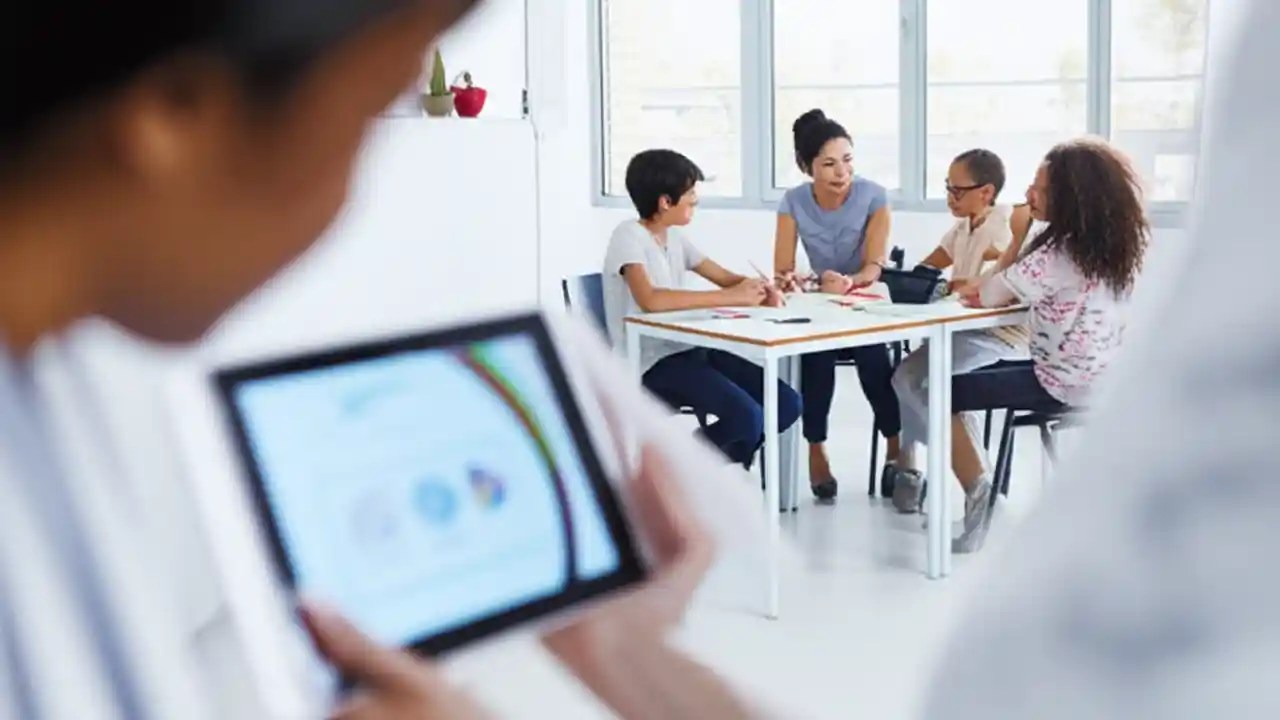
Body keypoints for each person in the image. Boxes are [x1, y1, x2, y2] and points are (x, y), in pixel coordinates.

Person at [0, 2, 760, 718]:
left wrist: (627, 654)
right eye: (368, 115)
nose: (346, 202)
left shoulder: (54, 391)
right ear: (176, 112)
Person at [926, 138, 1150, 553]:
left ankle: (982, 499)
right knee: (962, 376)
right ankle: (988, 490)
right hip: (1109, 380)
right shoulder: (1112, 248)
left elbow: (988, 294)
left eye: (1040, 189)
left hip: (1059, 382)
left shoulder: (1055, 253)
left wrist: (1015, 238)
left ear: (1070, 198)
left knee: (937, 388)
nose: (1028, 196)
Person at [604, 149, 801, 469]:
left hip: (689, 348)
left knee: (787, 404)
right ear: (665, 201)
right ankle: (678, 472)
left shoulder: (675, 239)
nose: (696, 200)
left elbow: (725, 279)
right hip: (650, 361)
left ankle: (688, 468)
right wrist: (733, 297)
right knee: (747, 418)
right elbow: (650, 300)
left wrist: (763, 289)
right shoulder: (628, 236)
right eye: (690, 195)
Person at [888, 150, 1031, 513]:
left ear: (986, 191)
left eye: (958, 191)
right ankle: (917, 469)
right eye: (947, 189)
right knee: (906, 376)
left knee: (919, 380)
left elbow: (1000, 274)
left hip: (998, 337)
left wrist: (966, 282)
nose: (950, 198)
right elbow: (929, 265)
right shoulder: (964, 225)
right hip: (960, 332)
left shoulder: (1003, 222)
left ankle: (976, 485)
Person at [773, 109, 901, 500]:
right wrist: (803, 281)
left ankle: (896, 450)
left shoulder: (874, 195)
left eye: (847, 160)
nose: (841, 172)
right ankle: (817, 450)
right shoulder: (793, 202)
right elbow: (783, 269)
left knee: (873, 361)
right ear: (806, 166)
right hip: (821, 299)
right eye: (828, 163)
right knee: (816, 361)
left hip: (864, 296)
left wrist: (849, 282)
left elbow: (875, 265)